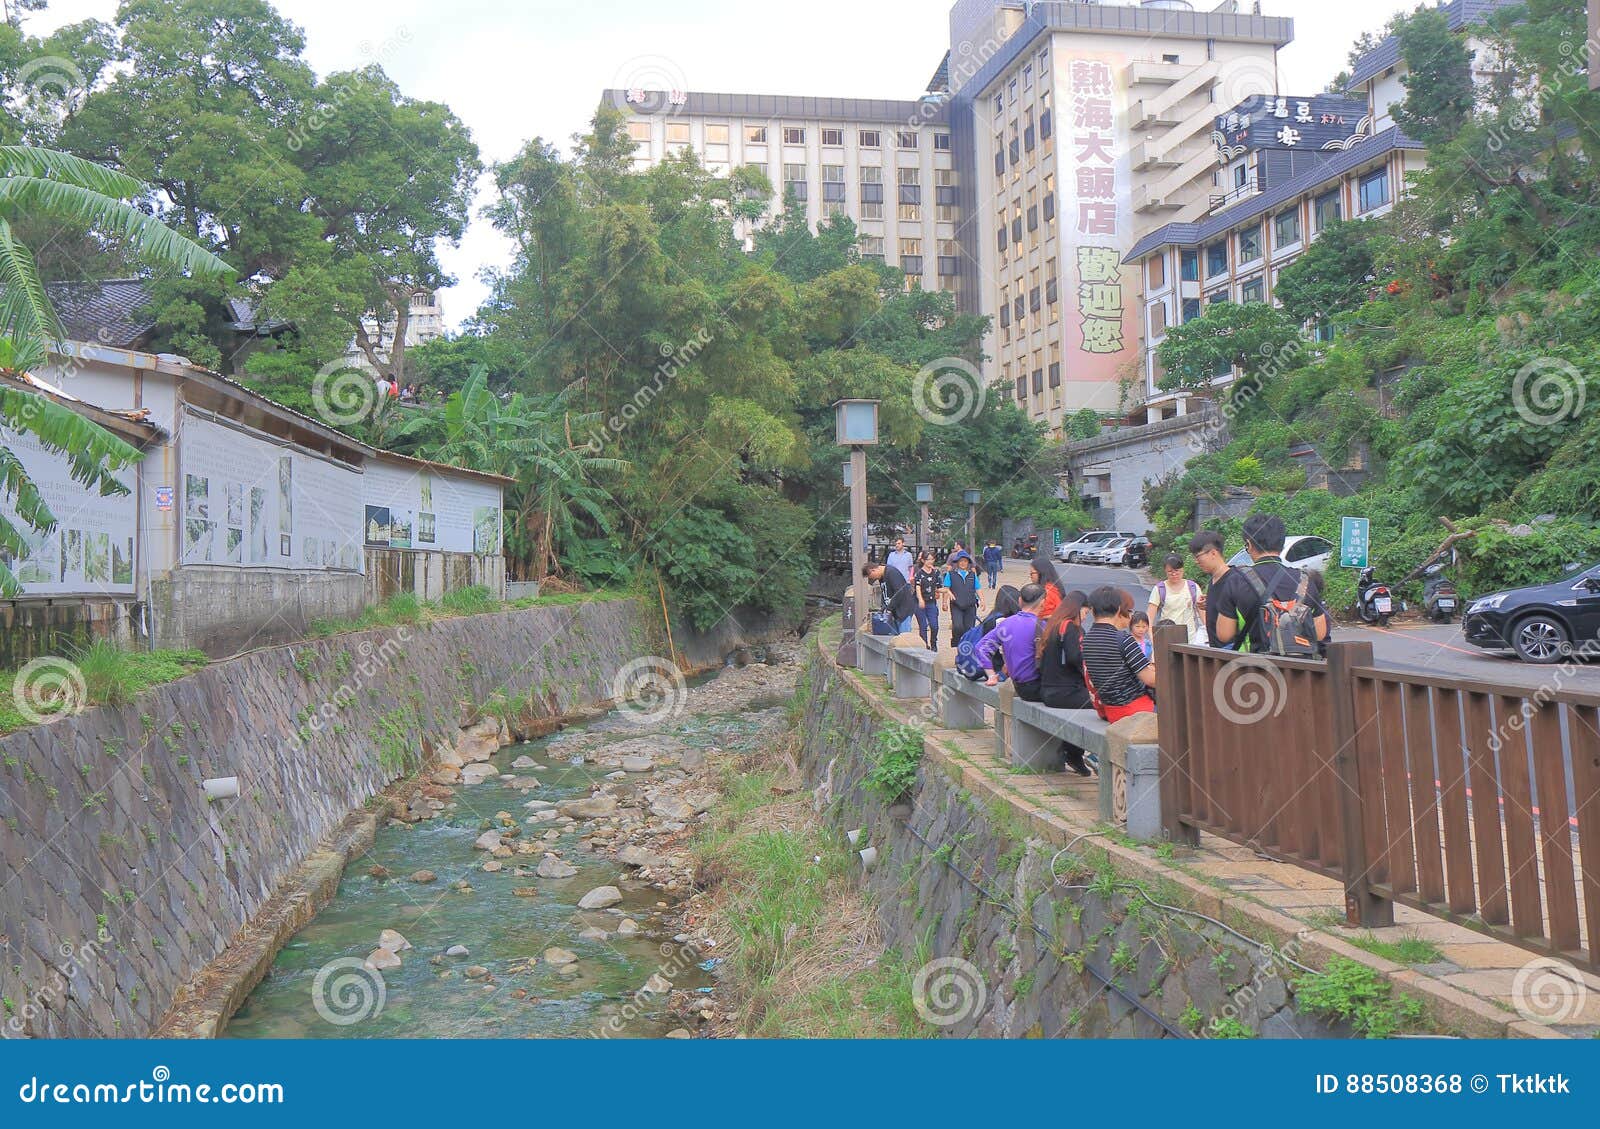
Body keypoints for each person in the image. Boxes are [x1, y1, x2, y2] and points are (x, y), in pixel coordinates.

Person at [1209, 514, 1329, 654]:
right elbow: (1320, 634)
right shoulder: (1305, 580)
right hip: (1298, 669)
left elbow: (1224, 634)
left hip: (1252, 668)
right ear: (1282, 544)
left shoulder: (1236, 580)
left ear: (1249, 544)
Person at [1037, 588, 1094, 775]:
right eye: (1085, 612)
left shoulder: (1054, 626)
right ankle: (1079, 753)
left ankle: (1071, 751)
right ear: (1077, 609)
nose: (1085, 617)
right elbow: (1074, 658)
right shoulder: (1070, 627)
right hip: (1063, 692)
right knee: (1098, 702)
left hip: (1048, 691)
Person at [1082, 585, 1157, 721]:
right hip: (1137, 710)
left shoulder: (1087, 640)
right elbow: (1151, 680)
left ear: (1093, 612)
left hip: (1111, 710)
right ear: (1118, 609)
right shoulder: (1123, 639)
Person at [976, 583, 1045, 701]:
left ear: (1020, 600)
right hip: (1038, 687)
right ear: (1043, 602)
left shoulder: (1006, 623)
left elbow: (981, 648)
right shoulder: (1042, 626)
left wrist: (992, 675)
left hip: (1019, 686)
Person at [1190, 529, 1241, 651]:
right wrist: (1210, 603)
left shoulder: (1235, 580)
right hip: (1215, 649)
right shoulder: (1213, 579)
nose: (1196, 562)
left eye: (1198, 556)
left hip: (1232, 650)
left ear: (1213, 553)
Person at [1148, 554, 1204, 643]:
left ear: (1183, 569)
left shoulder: (1193, 587)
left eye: (1177, 570)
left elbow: (1203, 613)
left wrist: (1208, 633)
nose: (1174, 574)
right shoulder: (1159, 589)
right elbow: (1149, 618)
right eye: (1170, 571)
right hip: (1166, 637)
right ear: (1165, 571)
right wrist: (1153, 638)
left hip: (1190, 638)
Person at [861, 560, 918, 634]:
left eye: (872, 577)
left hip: (903, 610)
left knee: (903, 637)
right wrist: (883, 608)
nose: (873, 579)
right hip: (894, 612)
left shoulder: (891, 572)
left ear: (873, 570)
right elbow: (885, 594)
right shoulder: (881, 577)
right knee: (894, 638)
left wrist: (889, 608)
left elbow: (899, 592)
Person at [943, 551, 983, 648]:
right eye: (961, 561)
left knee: (969, 629)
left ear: (968, 563)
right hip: (956, 605)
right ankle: (955, 644)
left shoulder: (972, 575)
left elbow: (978, 588)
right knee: (957, 626)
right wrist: (944, 602)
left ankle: (966, 648)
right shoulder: (951, 574)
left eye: (965, 561)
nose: (963, 563)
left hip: (970, 605)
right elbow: (946, 588)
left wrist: (982, 600)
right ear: (957, 562)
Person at [912, 550, 942, 650]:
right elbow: (917, 587)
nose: (930, 561)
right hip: (920, 602)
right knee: (923, 626)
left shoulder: (936, 572)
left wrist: (942, 592)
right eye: (928, 559)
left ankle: (933, 643)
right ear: (923, 560)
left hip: (931, 602)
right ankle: (924, 645)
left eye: (932, 559)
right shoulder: (919, 573)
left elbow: (938, 586)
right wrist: (920, 599)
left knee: (934, 626)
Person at [1029, 552, 1063, 618]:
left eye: (1032, 573)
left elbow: (1040, 615)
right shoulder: (1054, 587)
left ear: (1041, 573)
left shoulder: (1046, 593)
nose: (1030, 576)